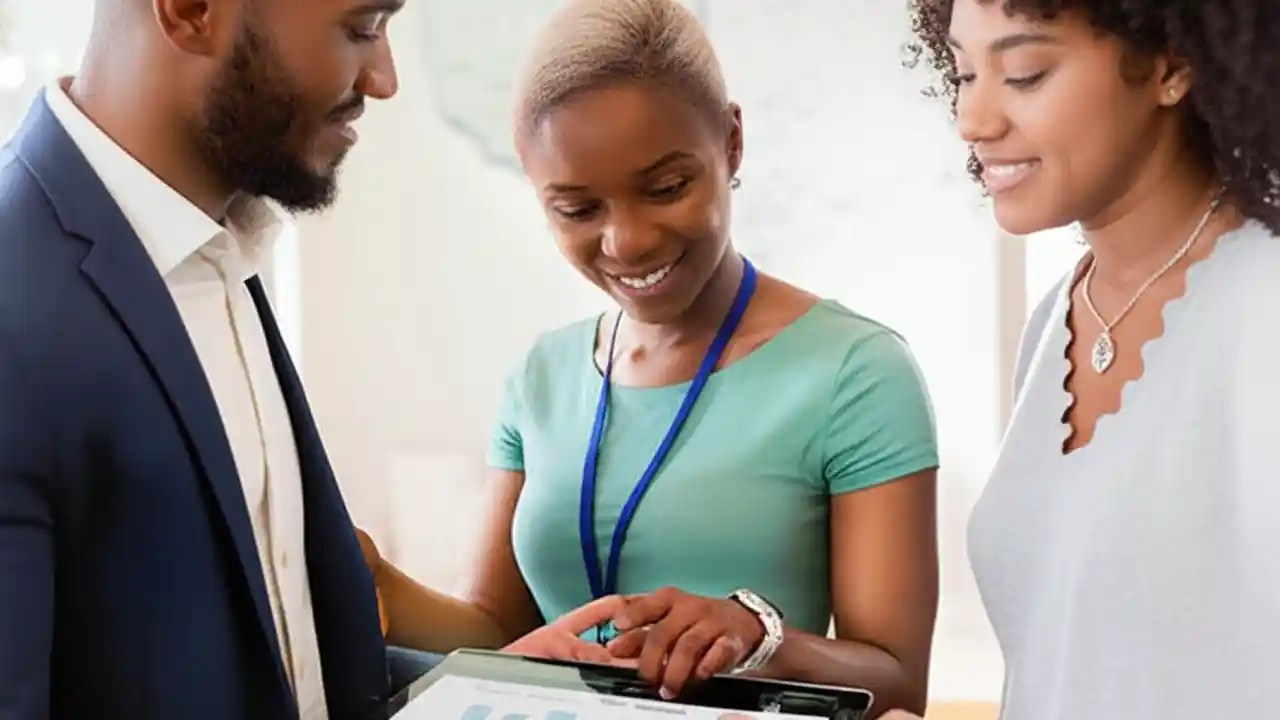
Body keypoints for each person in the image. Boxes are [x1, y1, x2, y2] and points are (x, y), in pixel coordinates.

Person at [0, 0, 621, 717]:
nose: (385, 78)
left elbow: (277, 671)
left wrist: (495, 691)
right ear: (192, 10)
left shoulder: (216, 253)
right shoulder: (19, 299)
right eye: (362, 28)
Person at [363, 0, 941, 716]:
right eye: (578, 209)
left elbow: (896, 682)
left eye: (666, 188)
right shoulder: (542, 378)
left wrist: (757, 637)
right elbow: (500, 641)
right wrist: (378, 584)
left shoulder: (856, 371)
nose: (627, 242)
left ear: (732, 143)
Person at [883, 0, 1280, 718]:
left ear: (1170, 66)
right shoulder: (1054, 323)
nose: (973, 120)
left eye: (1024, 73)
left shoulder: (1264, 303)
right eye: (965, 73)